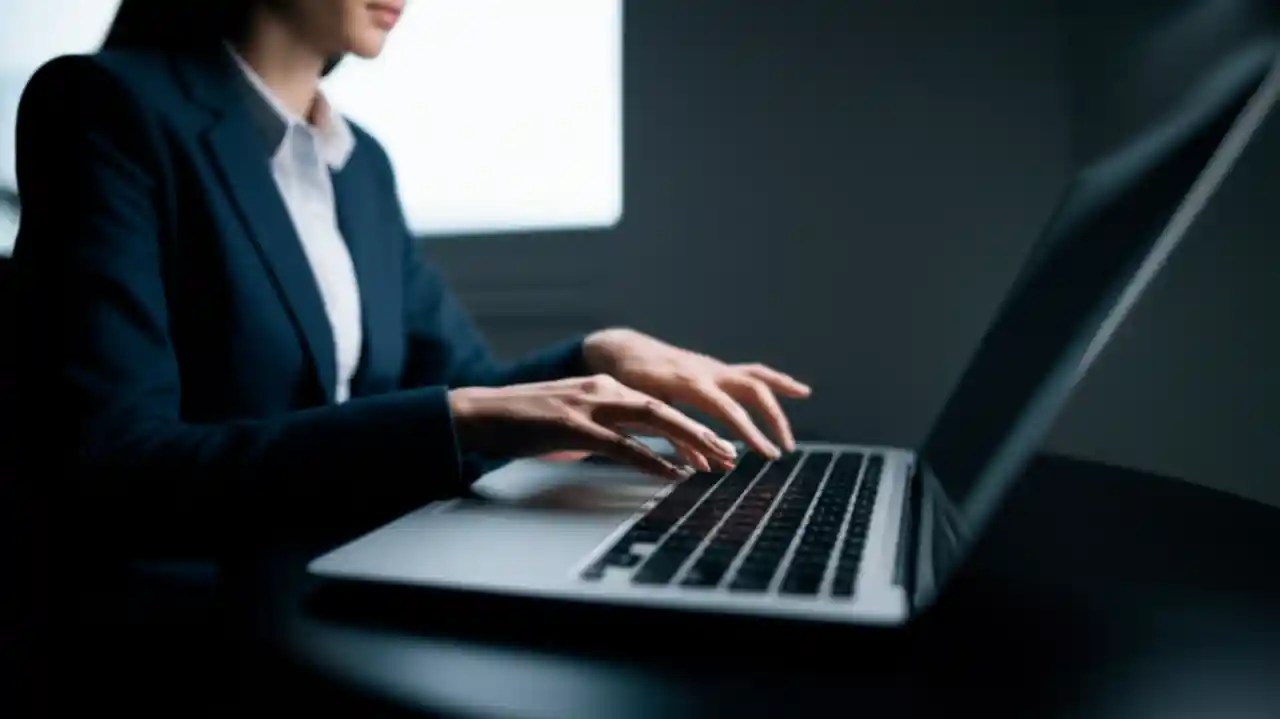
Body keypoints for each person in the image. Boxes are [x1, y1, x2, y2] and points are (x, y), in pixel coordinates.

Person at [10, 0, 811, 554]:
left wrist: (599, 356)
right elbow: (115, 466)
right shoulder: (103, 106)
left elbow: (468, 388)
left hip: (339, 568)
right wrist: (462, 419)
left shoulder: (361, 166)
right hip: (187, 622)